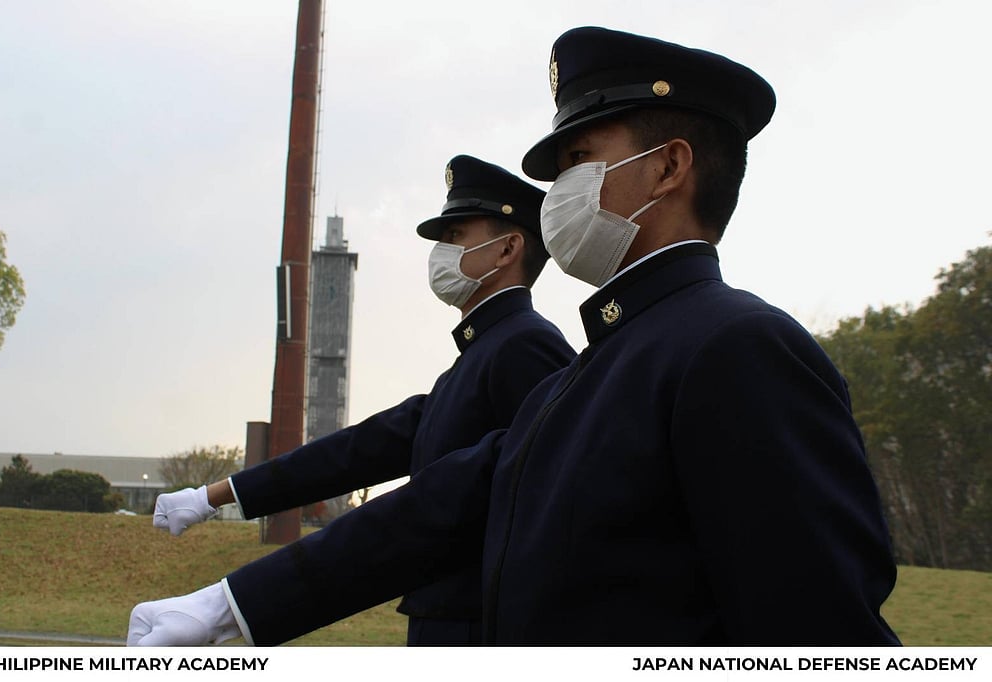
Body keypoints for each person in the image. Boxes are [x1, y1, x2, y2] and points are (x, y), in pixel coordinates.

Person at [129, 27, 900, 646]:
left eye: (579, 161)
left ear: (668, 168)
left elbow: (817, 629)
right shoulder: (592, 370)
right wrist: (235, 602)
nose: (558, 193)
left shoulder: (736, 348)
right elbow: (440, 502)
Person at [140, 155, 575, 646]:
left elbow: (536, 500)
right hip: (450, 614)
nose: (440, 252)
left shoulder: (524, 346)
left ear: (507, 249)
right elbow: (357, 451)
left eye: (455, 236)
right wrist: (213, 496)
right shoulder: (480, 356)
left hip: (484, 625)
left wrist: (229, 605)